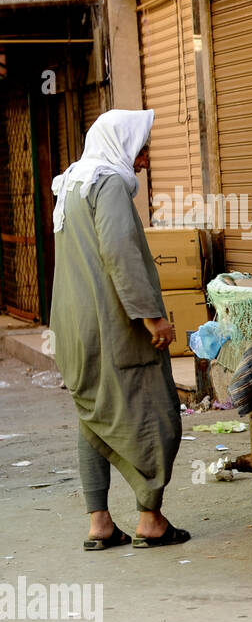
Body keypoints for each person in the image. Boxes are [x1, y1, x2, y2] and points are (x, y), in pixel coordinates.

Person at [50, 109, 190, 550]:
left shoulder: (72, 183)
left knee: (94, 418)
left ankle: (100, 524)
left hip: (72, 328)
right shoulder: (107, 184)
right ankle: (151, 518)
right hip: (112, 326)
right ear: (121, 144)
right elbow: (120, 254)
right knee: (155, 413)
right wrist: (152, 317)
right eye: (142, 149)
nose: (144, 160)